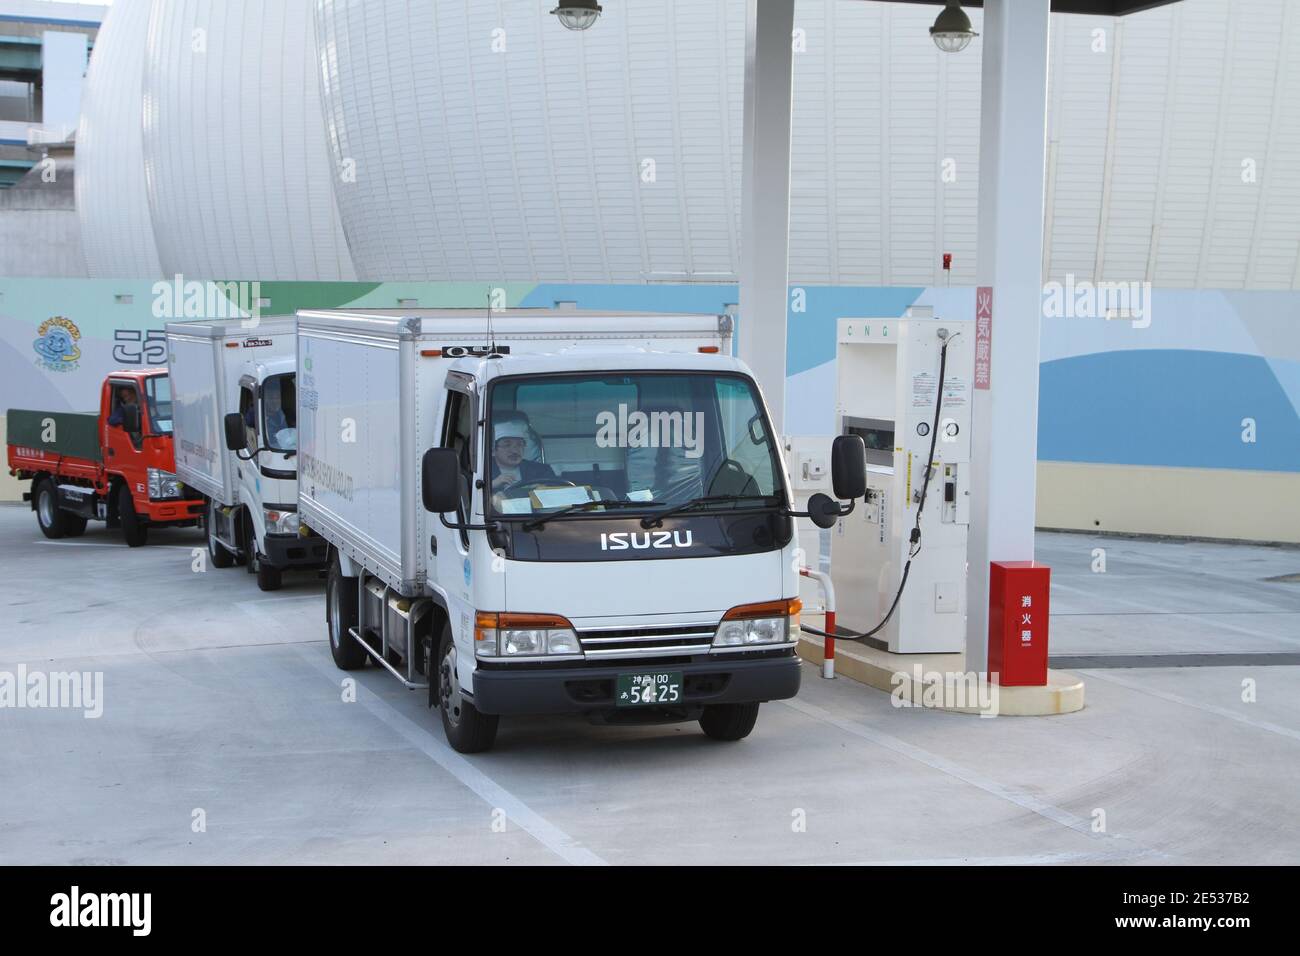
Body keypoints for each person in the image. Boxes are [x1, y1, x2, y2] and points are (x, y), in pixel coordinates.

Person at [489, 419, 555, 492]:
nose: (514, 450)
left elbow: (558, 491)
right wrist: (492, 485)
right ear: (493, 451)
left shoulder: (542, 470)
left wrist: (543, 488)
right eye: (507, 445)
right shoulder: (483, 472)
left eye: (519, 445)